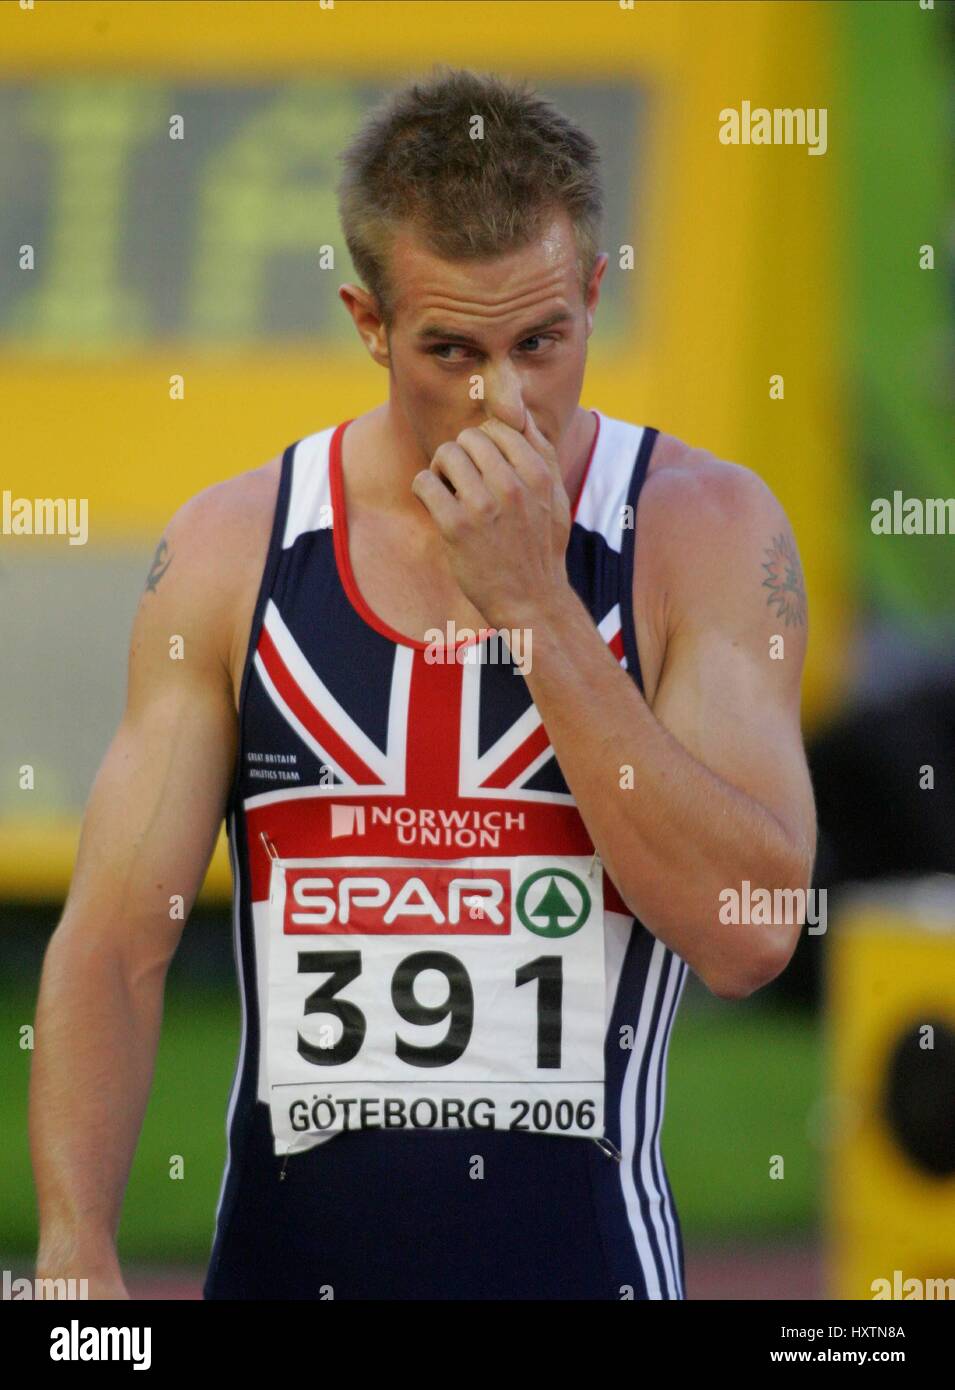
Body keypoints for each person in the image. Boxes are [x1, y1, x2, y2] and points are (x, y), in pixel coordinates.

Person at [30, 66, 817, 1301]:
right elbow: (117, 945)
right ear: (367, 322)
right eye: (449, 348)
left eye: (540, 342)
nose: (501, 398)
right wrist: (76, 1248)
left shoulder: (699, 532)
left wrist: (538, 607)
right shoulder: (239, 549)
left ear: (597, 296)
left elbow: (750, 934)